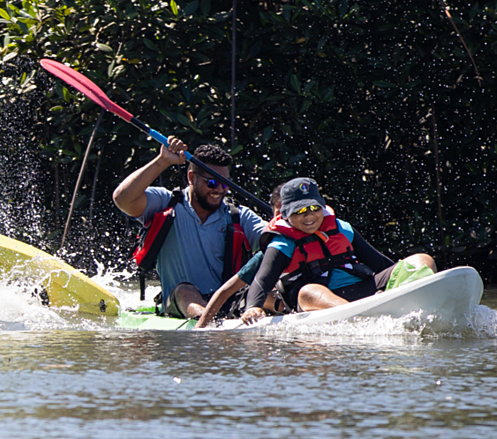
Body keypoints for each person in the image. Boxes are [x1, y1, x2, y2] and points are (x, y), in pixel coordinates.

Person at [239, 178, 437, 325]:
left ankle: (418, 304)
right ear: (285, 215)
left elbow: (380, 264)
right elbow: (262, 280)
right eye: (299, 211)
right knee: (308, 291)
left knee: (421, 260)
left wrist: (401, 277)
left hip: (362, 288)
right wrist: (253, 307)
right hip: (318, 299)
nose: (308, 216)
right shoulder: (283, 242)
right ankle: (360, 319)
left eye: (313, 208)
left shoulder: (341, 228)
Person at [113, 139, 265, 319]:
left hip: (227, 302)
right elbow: (122, 199)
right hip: (179, 303)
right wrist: (163, 161)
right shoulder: (165, 202)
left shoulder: (238, 215)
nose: (219, 190)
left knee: (270, 288)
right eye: (212, 183)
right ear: (191, 178)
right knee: (186, 290)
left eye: (225, 184)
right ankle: (209, 322)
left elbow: (272, 239)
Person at [194, 182, 287, 328]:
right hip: (252, 303)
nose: (285, 221)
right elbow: (224, 291)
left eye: (289, 213)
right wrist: (200, 328)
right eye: (280, 215)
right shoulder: (271, 251)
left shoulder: (329, 236)